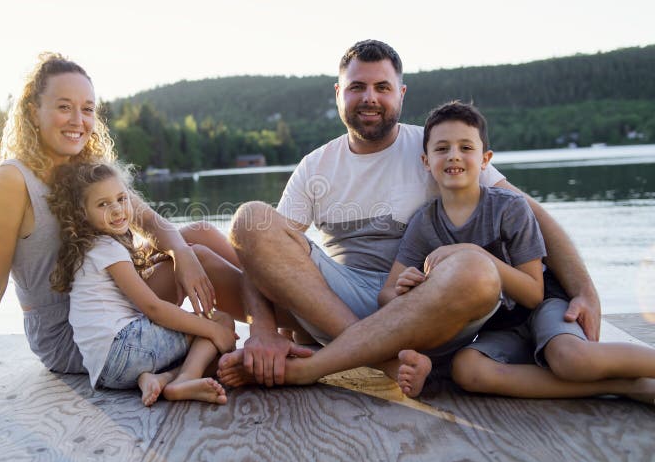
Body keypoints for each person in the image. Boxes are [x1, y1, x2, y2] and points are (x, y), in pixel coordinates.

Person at [218, 39, 601, 388]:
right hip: (338, 299)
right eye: (357, 87)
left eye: (382, 87)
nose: (370, 98)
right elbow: (259, 257)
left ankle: (331, 358)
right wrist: (262, 329)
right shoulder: (315, 165)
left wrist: (584, 289)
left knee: (477, 271)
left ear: (400, 94)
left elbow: (529, 213)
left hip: (428, 307)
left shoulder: (440, 147)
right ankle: (384, 360)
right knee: (251, 220)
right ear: (339, 94)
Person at [0, 53, 244, 397]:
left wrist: (180, 252)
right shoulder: (12, 181)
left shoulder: (86, 172)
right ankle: (275, 331)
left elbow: (153, 223)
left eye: (87, 109)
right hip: (73, 335)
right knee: (200, 254)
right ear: (34, 112)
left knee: (198, 236)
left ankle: (274, 329)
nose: (78, 120)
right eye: (64, 107)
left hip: (115, 308)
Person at [381, 101, 655, 403]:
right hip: (501, 326)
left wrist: (476, 253)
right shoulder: (425, 222)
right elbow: (387, 294)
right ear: (426, 160)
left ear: (485, 159)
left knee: (571, 360)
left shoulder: (509, 208)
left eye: (466, 147)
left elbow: (533, 293)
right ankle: (629, 386)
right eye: (442, 148)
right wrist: (408, 285)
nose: (454, 155)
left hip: (545, 306)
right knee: (467, 370)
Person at [47, 161, 237, 405]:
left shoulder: (87, 250)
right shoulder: (107, 248)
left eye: (121, 199)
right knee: (222, 323)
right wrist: (213, 330)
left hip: (106, 371)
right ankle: (184, 380)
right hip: (125, 348)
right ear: (82, 213)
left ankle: (159, 379)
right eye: (103, 204)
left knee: (204, 344)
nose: (116, 210)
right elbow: (153, 308)